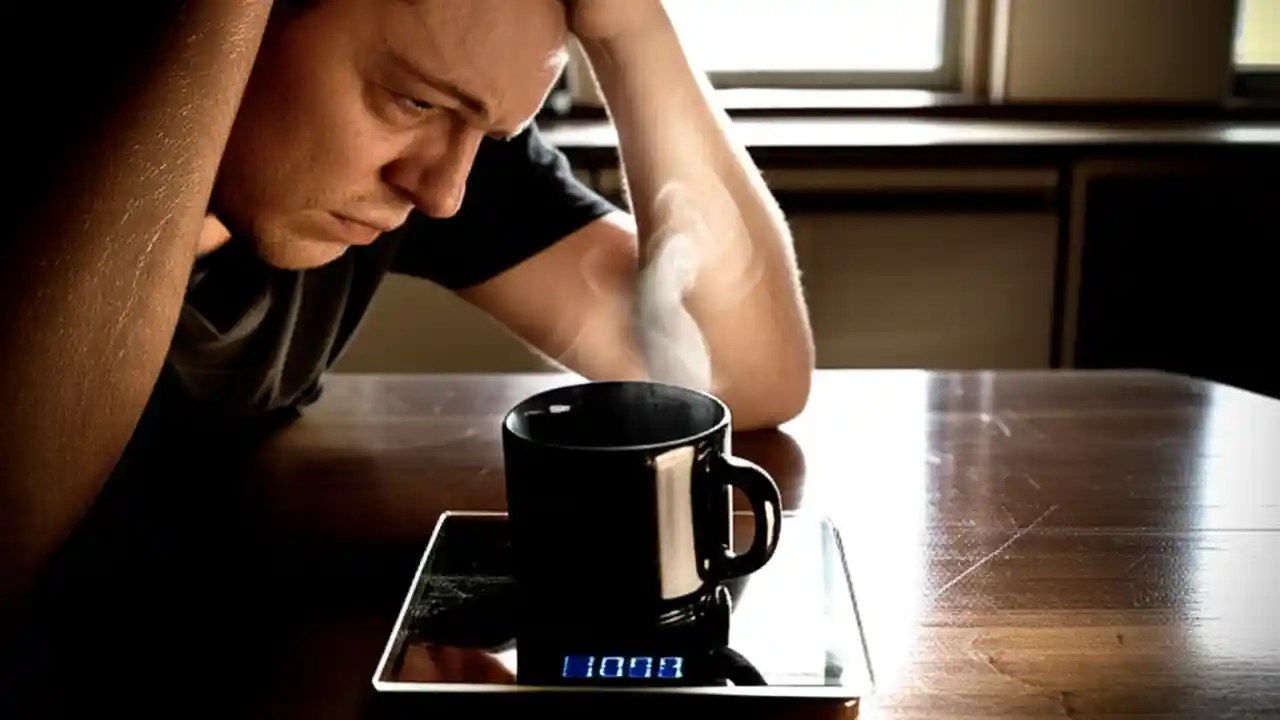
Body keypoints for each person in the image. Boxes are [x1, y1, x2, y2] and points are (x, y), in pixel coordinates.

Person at [0, 0, 814, 624]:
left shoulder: (436, 155)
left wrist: (633, 27)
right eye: (413, 104)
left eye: (487, 134)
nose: (443, 193)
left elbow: (740, 374)